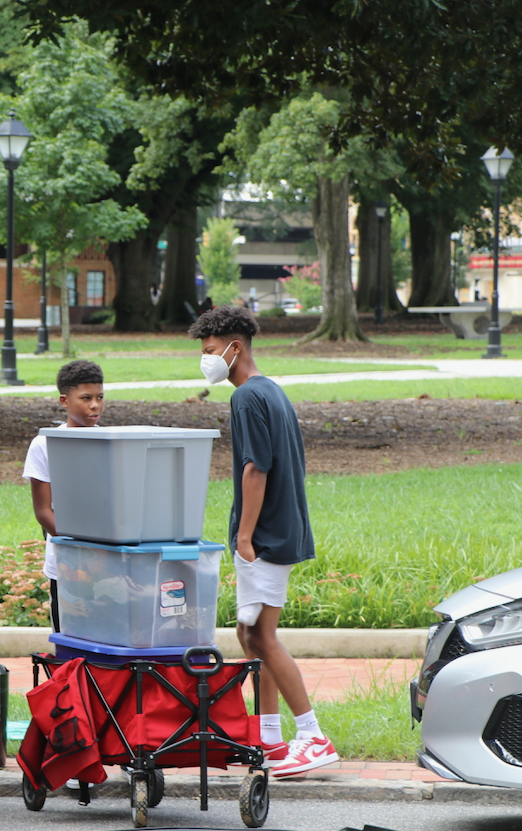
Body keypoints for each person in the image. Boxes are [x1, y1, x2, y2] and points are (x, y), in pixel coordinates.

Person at [188, 306, 339, 778]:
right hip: (279, 529)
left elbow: (257, 469)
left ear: (235, 347)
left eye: (211, 351)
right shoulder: (270, 390)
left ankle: (312, 736)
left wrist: (246, 537)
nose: (207, 360)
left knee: (263, 637)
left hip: (266, 536)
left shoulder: (247, 398)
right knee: (249, 632)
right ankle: (270, 737)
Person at [23, 359, 105, 634]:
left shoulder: (112, 442)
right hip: (67, 559)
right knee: (70, 636)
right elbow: (43, 511)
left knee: (106, 632)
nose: (95, 405)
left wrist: (103, 550)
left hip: (109, 558)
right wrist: (80, 548)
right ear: (64, 401)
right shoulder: (45, 444)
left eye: (100, 397)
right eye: (86, 398)